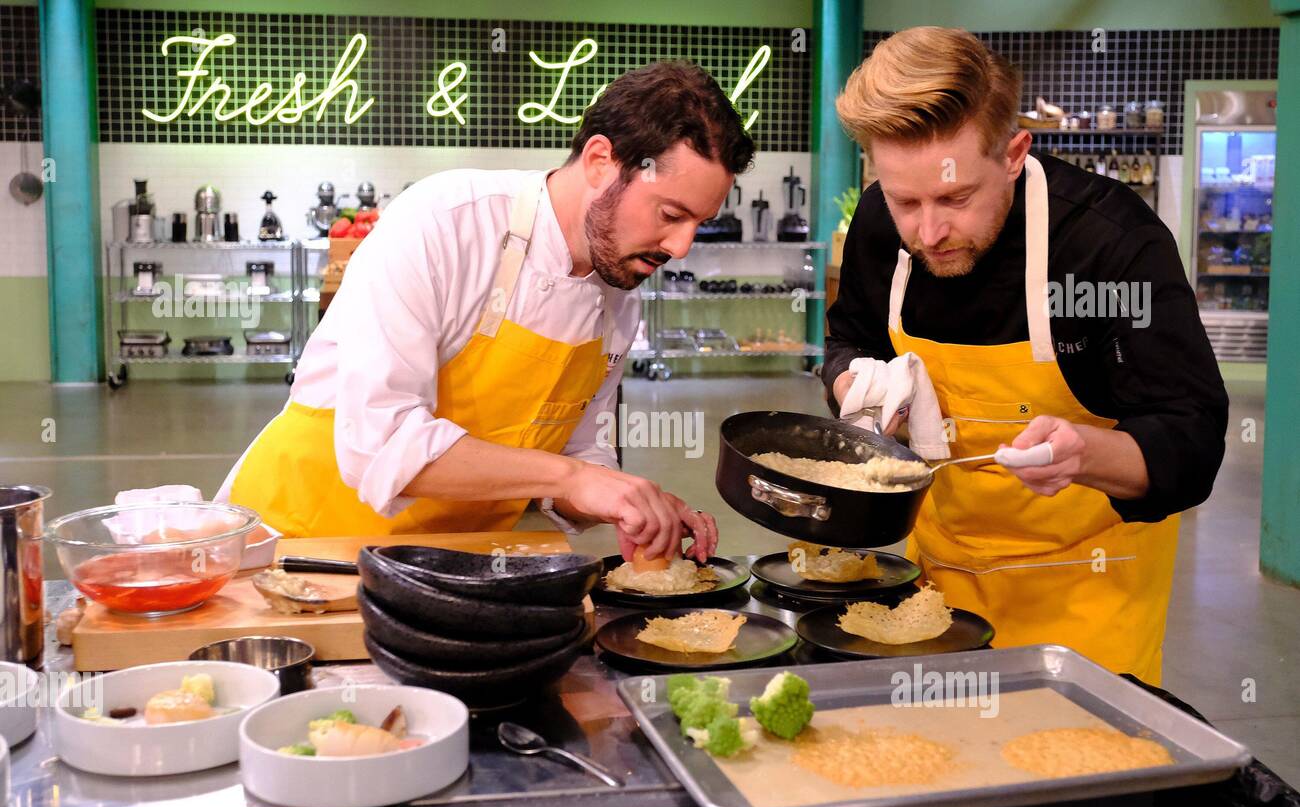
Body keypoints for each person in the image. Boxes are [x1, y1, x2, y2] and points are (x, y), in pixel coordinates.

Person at [218, 61, 755, 562]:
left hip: (450, 563)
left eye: (698, 224)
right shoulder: (446, 224)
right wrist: (570, 478)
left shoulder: (618, 298)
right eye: (671, 214)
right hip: (303, 548)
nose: (682, 246)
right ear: (599, 162)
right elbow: (382, 443)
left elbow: (579, 452)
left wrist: (628, 503)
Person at [824, 27, 1229, 684]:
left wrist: (1085, 453)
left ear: (1013, 154)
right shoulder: (878, 225)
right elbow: (851, 340)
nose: (929, 232)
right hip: (939, 592)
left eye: (956, 198)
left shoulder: (1109, 248)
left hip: (1086, 601)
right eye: (906, 200)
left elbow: (1193, 438)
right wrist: (856, 384)